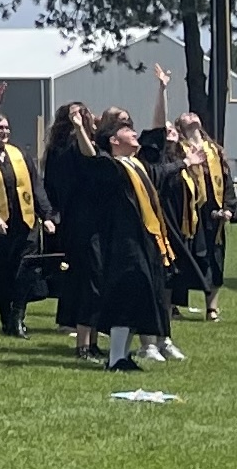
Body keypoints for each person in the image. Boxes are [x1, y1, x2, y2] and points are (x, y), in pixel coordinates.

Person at [69, 102, 194, 371]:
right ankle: (116, 358)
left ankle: (122, 356)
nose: (134, 132)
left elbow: (159, 150)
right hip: (123, 244)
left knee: (137, 298)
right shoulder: (112, 167)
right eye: (128, 130)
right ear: (114, 140)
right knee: (124, 298)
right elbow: (92, 159)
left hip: (145, 241)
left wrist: (161, 92)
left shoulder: (138, 166)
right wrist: (80, 129)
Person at [0, 111, 55, 338]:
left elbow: (36, 186)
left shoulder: (19, 155)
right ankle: (5, 318)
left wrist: (46, 215)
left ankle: (18, 317)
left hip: (25, 224)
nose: (5, 132)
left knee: (25, 270)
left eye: (7, 128)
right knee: (2, 272)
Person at [43, 102, 99, 359]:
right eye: (75, 114)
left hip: (93, 217)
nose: (81, 117)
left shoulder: (95, 141)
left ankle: (90, 332)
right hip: (75, 217)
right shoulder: (63, 148)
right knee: (81, 273)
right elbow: (53, 183)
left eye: (83, 112)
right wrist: (53, 213)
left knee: (90, 273)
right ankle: (78, 330)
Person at [165, 110, 230, 323]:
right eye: (185, 115)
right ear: (180, 126)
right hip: (187, 212)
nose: (190, 114)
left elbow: (227, 181)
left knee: (214, 258)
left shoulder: (214, 150)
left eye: (193, 114)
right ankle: (172, 304)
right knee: (183, 256)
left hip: (213, 213)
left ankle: (211, 308)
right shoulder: (177, 150)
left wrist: (229, 207)